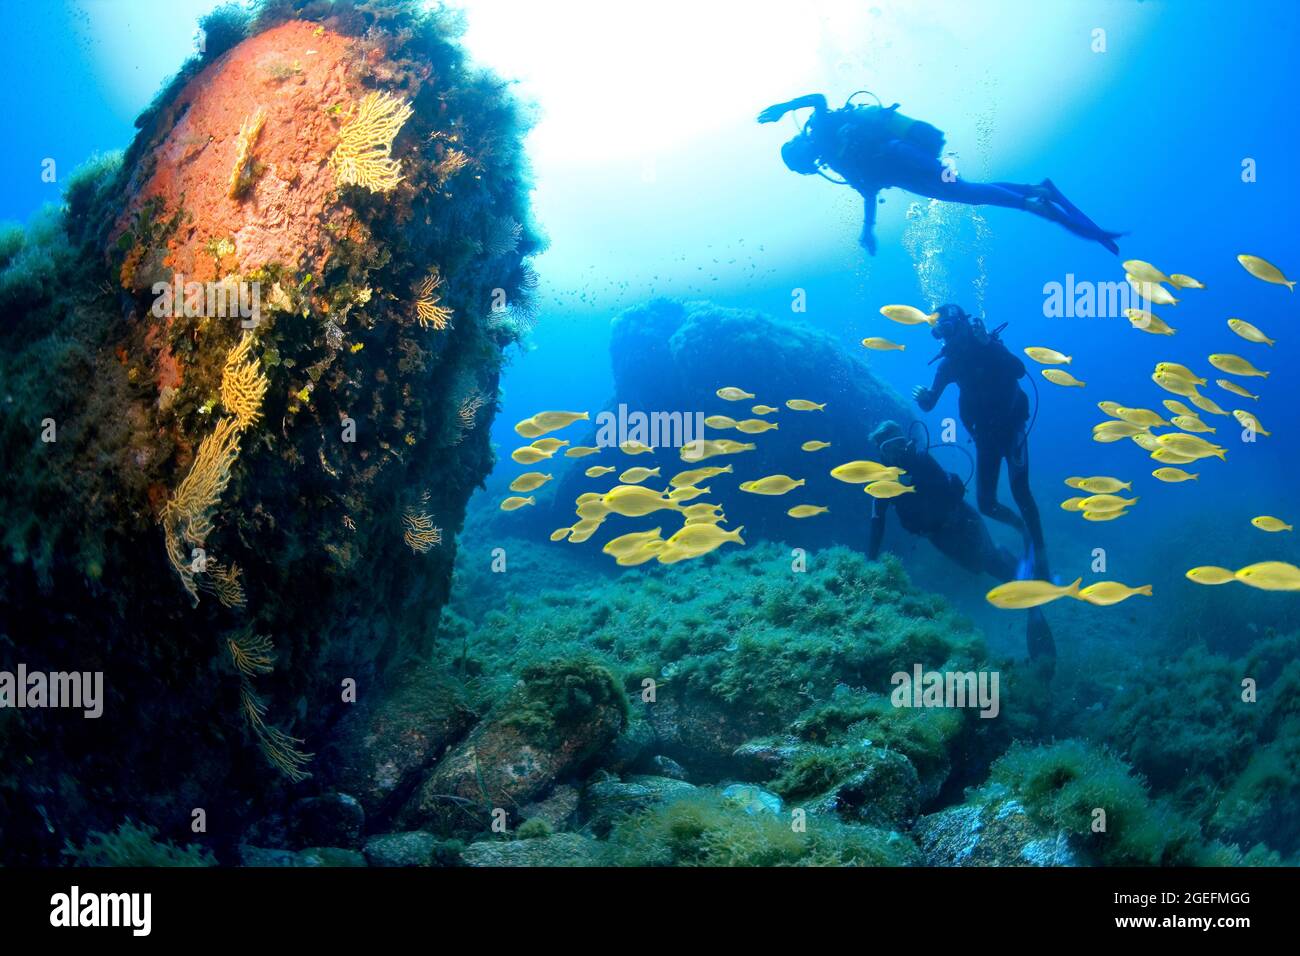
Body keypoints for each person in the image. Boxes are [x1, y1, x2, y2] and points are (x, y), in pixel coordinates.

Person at [758, 92, 1122, 255]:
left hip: (910, 154)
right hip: (909, 173)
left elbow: (819, 97)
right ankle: (1034, 192)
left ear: (801, 148)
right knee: (965, 190)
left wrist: (784, 106)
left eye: (803, 162)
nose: (811, 165)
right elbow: (867, 191)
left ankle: (1031, 203)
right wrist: (867, 229)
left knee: (962, 191)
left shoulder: (821, 127)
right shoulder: (836, 162)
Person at [867, 419, 1056, 667]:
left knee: (990, 564)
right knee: (980, 566)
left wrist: (916, 480)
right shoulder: (881, 481)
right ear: (881, 453)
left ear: (907, 442)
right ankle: (1014, 567)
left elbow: (948, 487)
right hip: (940, 538)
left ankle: (1033, 605)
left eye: (900, 444)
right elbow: (876, 521)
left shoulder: (921, 461)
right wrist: (869, 561)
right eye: (889, 448)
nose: (898, 452)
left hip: (963, 521)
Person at [913, 305, 1049, 579]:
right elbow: (930, 403)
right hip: (985, 435)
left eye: (949, 329)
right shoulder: (949, 363)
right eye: (939, 333)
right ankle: (1021, 527)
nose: (946, 338)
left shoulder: (989, 346)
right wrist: (924, 398)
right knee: (986, 503)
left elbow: (1019, 370)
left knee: (1021, 491)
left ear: (963, 323)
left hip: (1012, 429)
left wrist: (989, 345)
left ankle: (1041, 556)